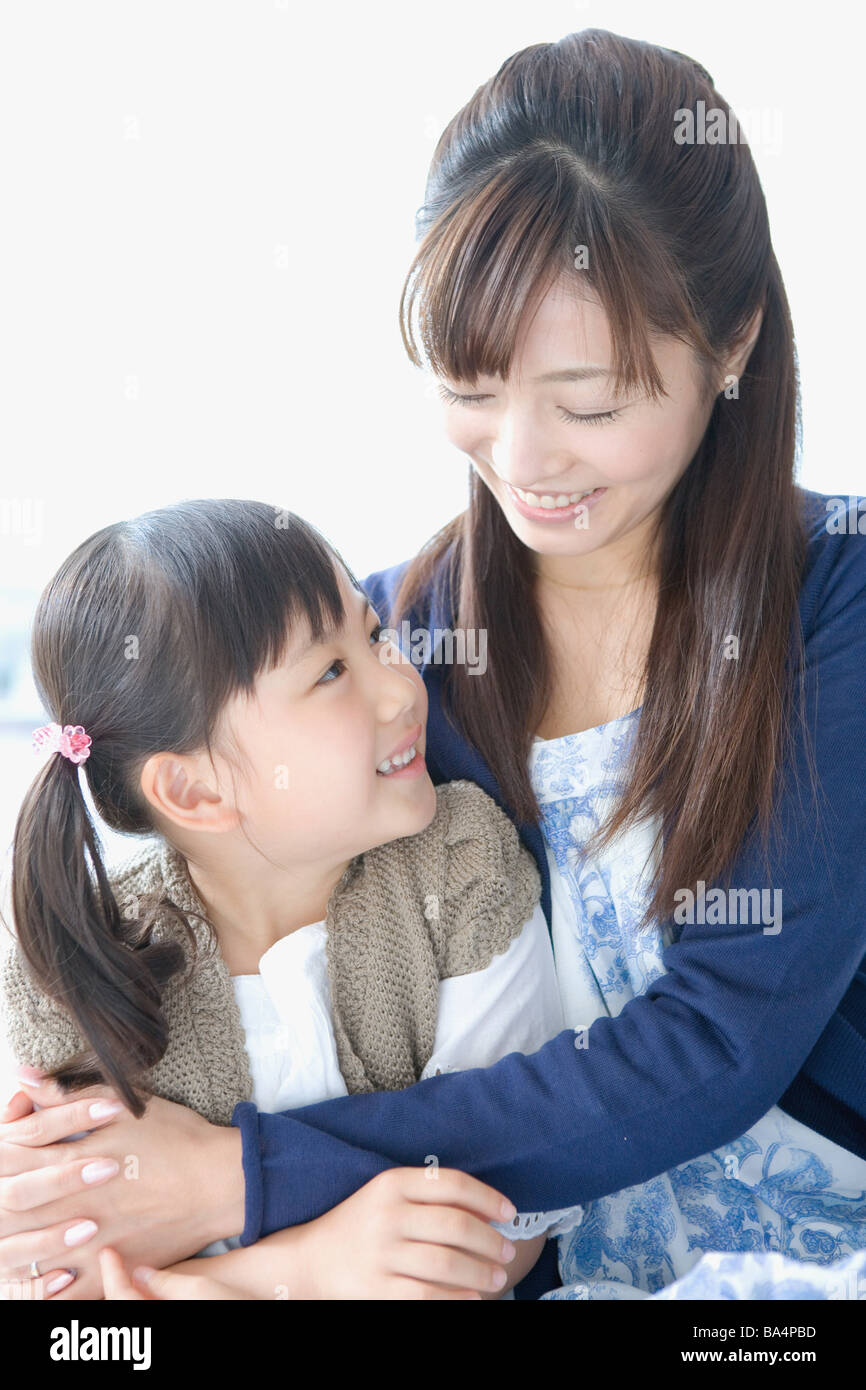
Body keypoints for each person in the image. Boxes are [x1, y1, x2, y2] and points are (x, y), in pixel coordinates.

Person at [2, 27, 865, 1301]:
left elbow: (718, 1039)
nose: (521, 460)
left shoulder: (835, 594)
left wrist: (239, 1179)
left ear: (730, 343)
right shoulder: (384, 650)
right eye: (470, 384)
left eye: (590, 401)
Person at [0, 498, 582, 1301]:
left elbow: (502, 1217)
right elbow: (70, 1287)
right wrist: (309, 1271)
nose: (399, 689)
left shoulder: (462, 870)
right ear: (194, 789)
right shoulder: (77, 974)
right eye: (332, 672)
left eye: (373, 634)